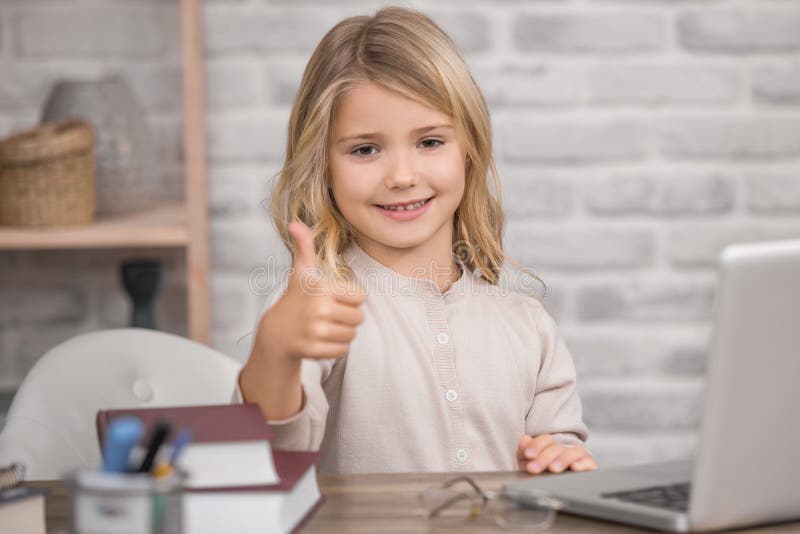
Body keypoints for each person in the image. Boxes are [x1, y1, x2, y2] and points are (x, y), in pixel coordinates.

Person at [238, 6, 597, 476]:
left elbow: (561, 452)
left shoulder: (528, 325)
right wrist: (276, 350)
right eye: (365, 149)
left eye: (430, 142)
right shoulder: (318, 310)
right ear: (322, 166)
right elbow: (270, 452)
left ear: (469, 148)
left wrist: (561, 458)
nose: (403, 177)